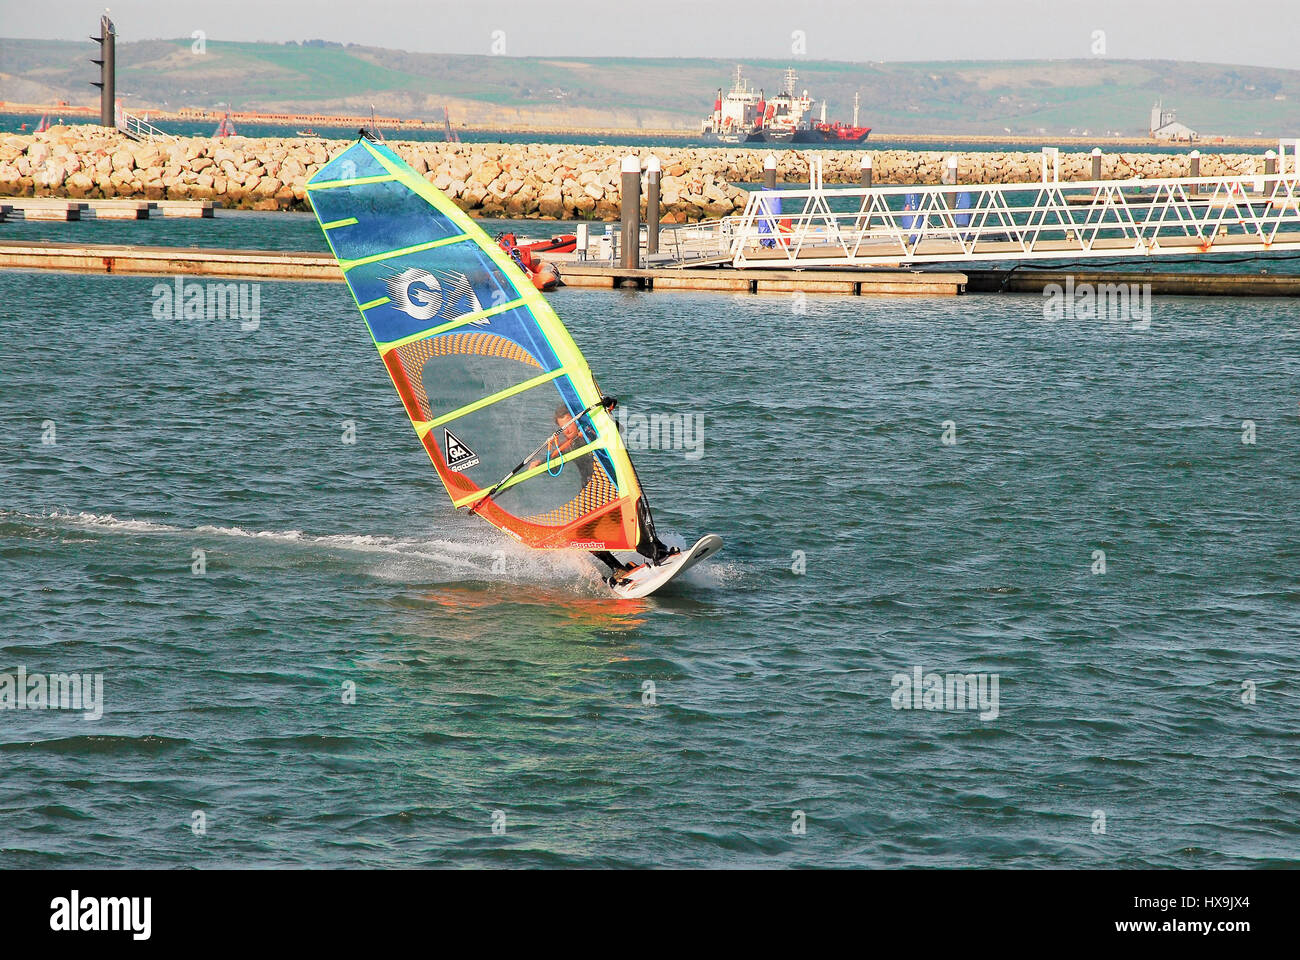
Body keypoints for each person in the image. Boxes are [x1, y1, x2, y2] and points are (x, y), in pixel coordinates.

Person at [530, 404, 676, 583]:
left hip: (612, 486)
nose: (567, 430)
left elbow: (618, 428)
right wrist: (540, 464)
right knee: (585, 535)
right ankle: (618, 568)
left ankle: (657, 552)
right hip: (592, 492)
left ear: (577, 420)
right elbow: (555, 461)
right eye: (563, 427)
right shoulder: (569, 444)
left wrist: (604, 414)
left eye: (570, 424)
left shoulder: (593, 432)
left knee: (634, 518)